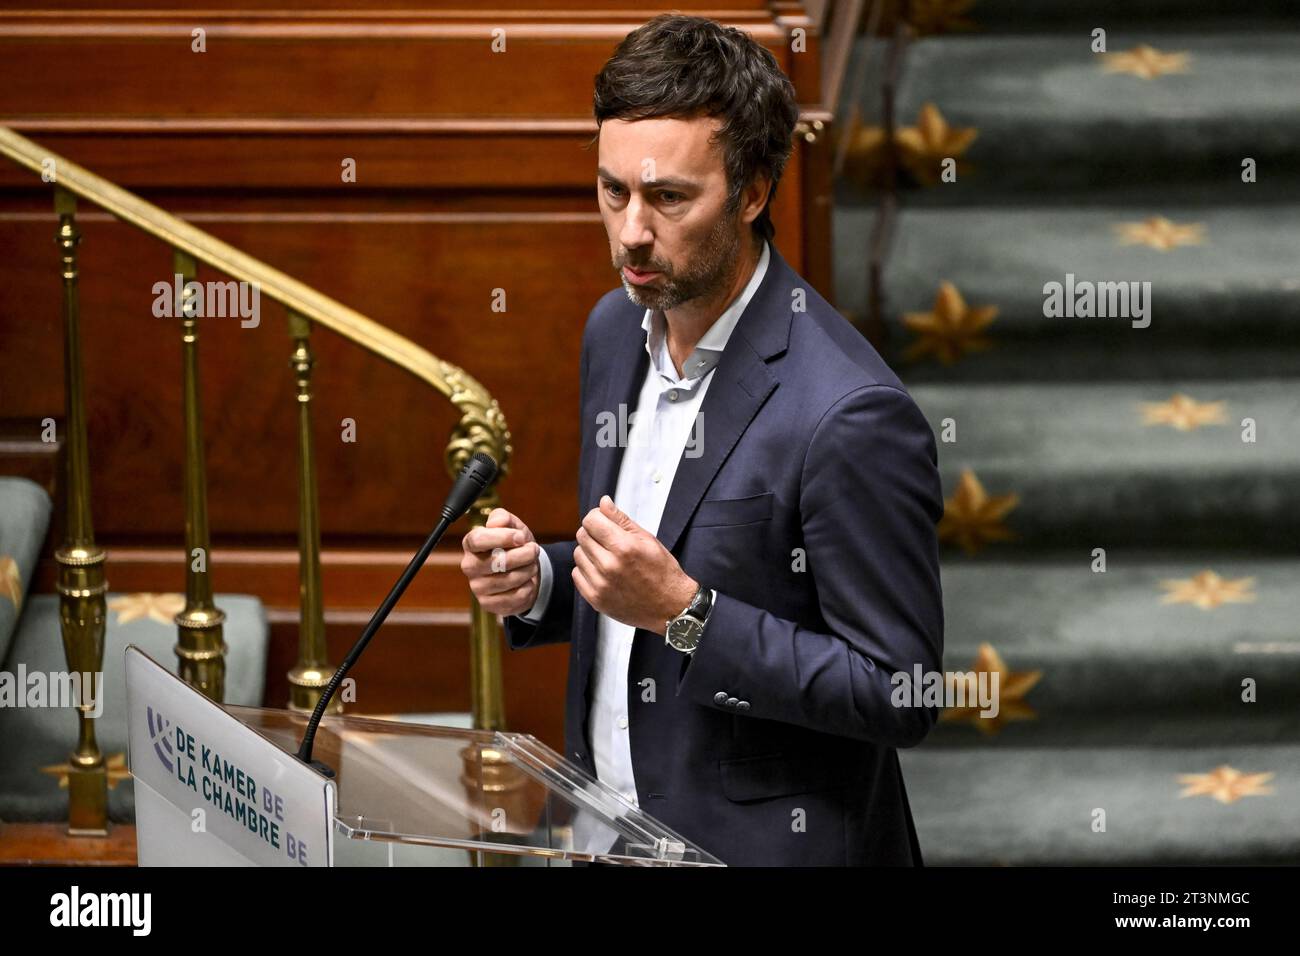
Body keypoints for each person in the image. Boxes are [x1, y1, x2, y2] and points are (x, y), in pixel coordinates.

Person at [460, 13, 944, 866]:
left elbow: (899, 691)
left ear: (754, 192)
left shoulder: (849, 411)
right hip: (611, 836)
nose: (631, 233)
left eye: (668, 198)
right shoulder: (616, 330)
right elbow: (651, 563)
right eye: (614, 191)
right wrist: (543, 579)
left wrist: (687, 617)